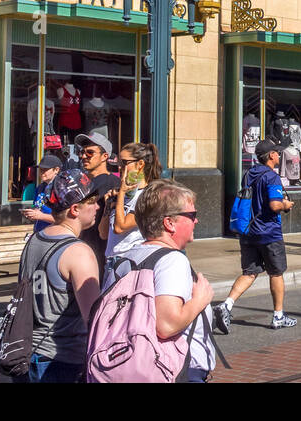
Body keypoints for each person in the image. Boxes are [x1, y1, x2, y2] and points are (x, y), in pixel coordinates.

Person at [104, 179, 216, 382]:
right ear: (169, 223)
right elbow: (166, 326)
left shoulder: (125, 258)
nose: (196, 221)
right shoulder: (171, 260)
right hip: (175, 370)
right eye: (192, 215)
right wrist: (200, 299)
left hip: (126, 365)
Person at [19, 168, 102, 382]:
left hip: (26, 352)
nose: (97, 207)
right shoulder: (79, 252)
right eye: (92, 202)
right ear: (75, 209)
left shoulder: (34, 241)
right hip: (62, 359)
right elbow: (93, 319)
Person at [214, 140, 297, 333]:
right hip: (269, 233)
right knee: (276, 273)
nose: (278, 155)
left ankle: (226, 305)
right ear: (271, 156)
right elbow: (274, 205)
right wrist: (286, 204)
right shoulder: (272, 177)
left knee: (249, 272)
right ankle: (278, 316)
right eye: (276, 152)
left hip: (248, 232)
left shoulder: (248, 174)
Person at [103, 142, 161, 274]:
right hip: (110, 261)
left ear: (140, 164)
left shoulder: (147, 196)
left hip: (129, 262)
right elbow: (103, 233)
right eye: (118, 164)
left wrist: (121, 194)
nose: (120, 168)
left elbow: (120, 227)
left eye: (124, 163)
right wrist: (108, 205)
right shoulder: (123, 195)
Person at [75, 131, 120, 274]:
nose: (83, 156)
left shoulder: (113, 184)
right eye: (81, 152)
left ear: (104, 156)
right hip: (78, 251)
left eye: (89, 153)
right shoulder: (80, 182)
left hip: (99, 256)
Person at [20, 154, 63, 235]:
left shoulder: (62, 189)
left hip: (55, 236)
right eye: (40, 169)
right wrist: (32, 213)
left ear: (56, 170)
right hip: (39, 233)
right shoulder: (40, 188)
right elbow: (38, 208)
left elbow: (65, 220)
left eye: (45, 169)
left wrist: (40, 216)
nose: (41, 173)